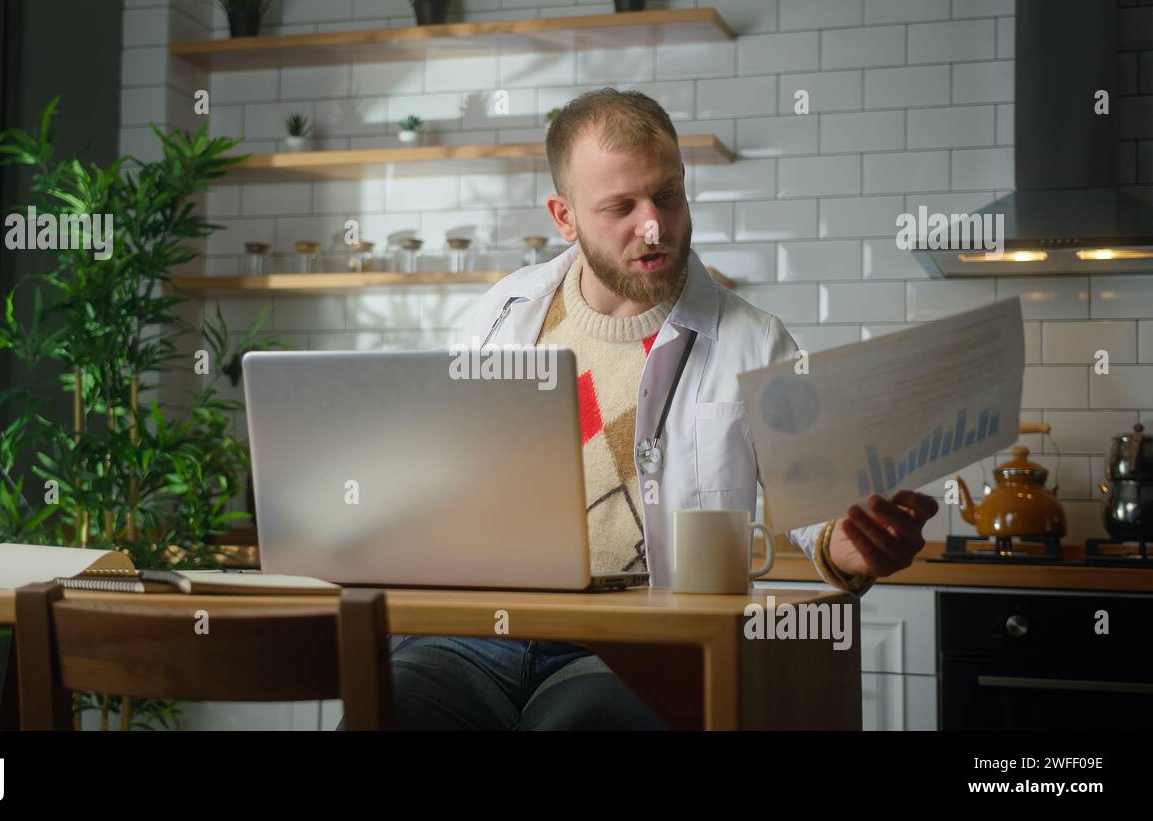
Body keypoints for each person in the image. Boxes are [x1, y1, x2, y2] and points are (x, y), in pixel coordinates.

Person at [384, 88, 939, 731]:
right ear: (564, 216)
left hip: (630, 647)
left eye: (668, 195)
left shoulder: (755, 340)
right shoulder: (505, 312)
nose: (654, 226)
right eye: (620, 207)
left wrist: (848, 549)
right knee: (391, 707)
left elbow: (819, 511)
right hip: (479, 634)